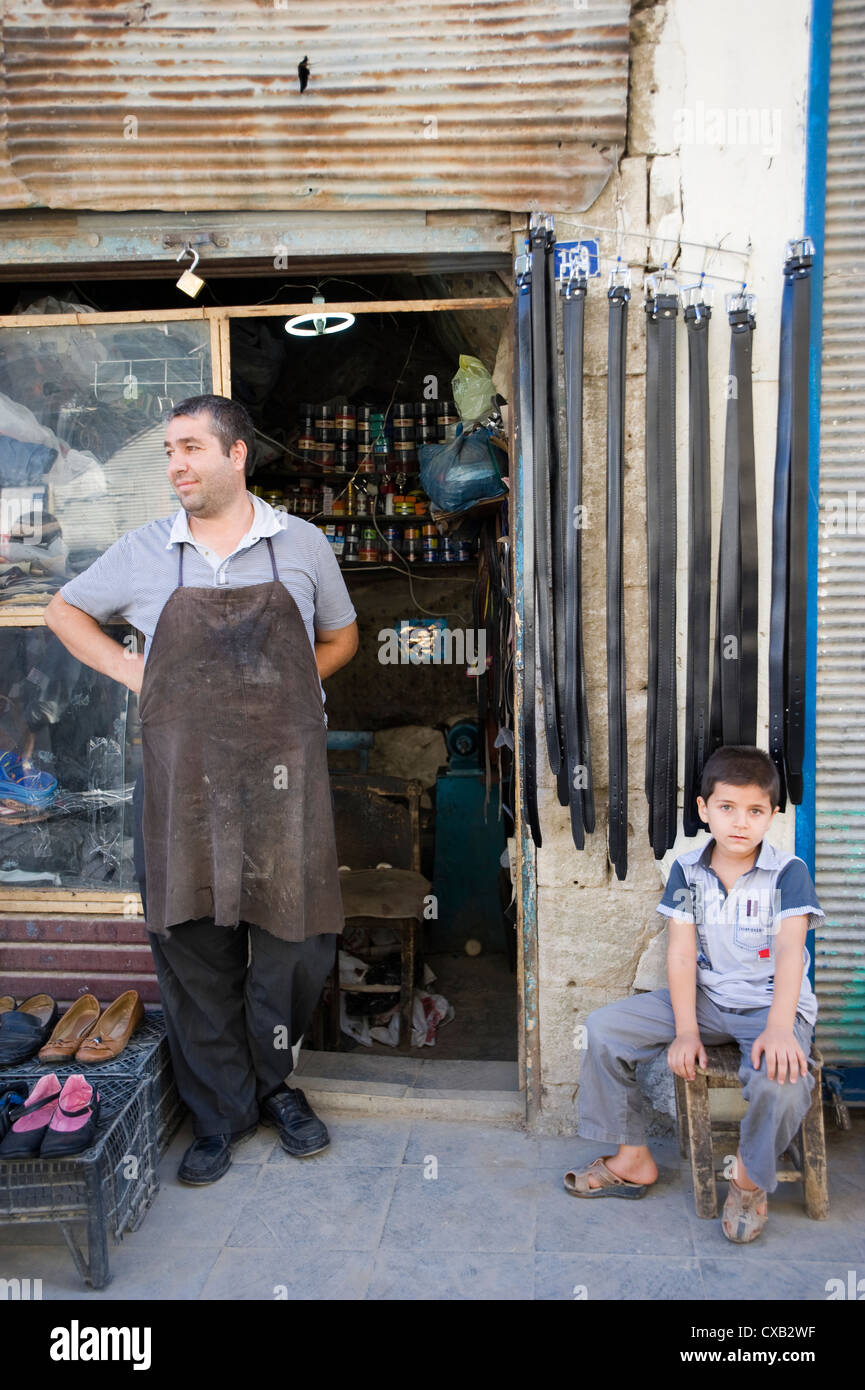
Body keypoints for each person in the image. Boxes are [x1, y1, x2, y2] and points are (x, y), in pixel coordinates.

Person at [44, 394, 358, 1186]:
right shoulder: (147, 549)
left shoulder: (302, 545)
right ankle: (219, 1113)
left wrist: (279, 694)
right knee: (191, 942)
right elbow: (63, 609)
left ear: (235, 454)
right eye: (168, 452)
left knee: (295, 942)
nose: (175, 464)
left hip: (284, 782)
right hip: (185, 783)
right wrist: (132, 672)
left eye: (189, 448)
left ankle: (277, 1087)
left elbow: (342, 635)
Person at [563, 745, 824, 1243]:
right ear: (705, 810)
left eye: (755, 811)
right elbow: (681, 954)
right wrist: (684, 1031)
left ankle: (747, 1180)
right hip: (704, 1001)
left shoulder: (788, 873)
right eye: (727, 808)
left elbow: (791, 952)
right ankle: (633, 1158)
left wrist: (778, 1027)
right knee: (603, 1028)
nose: (740, 823)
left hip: (771, 1006)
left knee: (784, 1082)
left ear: (772, 816)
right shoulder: (687, 871)